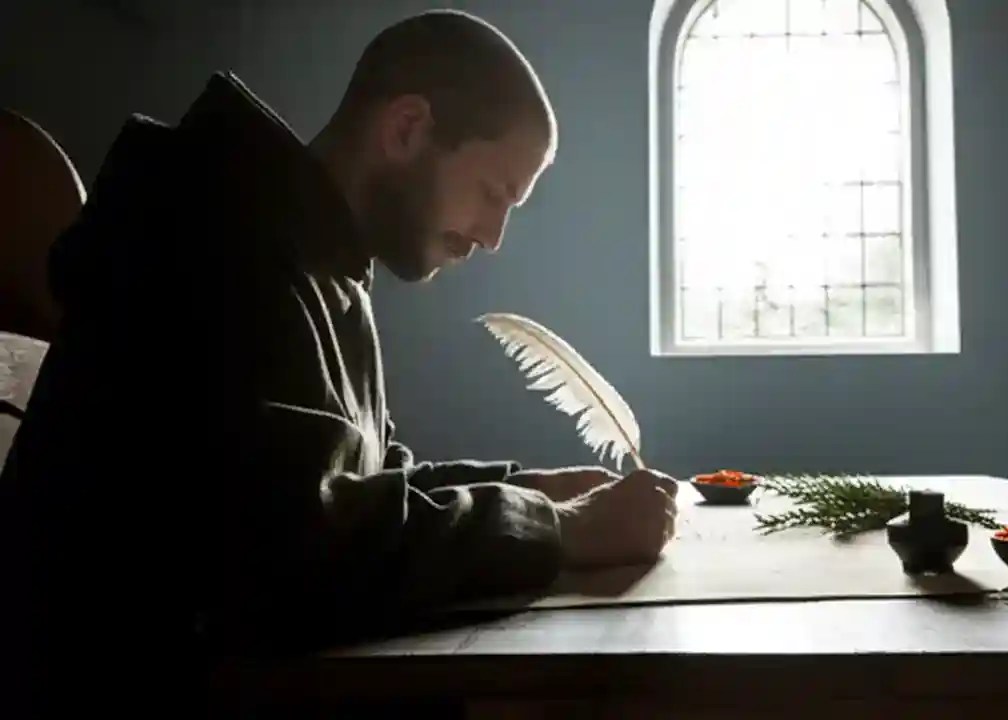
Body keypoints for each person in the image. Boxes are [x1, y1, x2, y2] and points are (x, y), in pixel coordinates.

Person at [0, 8, 678, 712]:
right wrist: (560, 530)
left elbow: (348, 488)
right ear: (407, 129)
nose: (494, 235)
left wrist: (528, 488)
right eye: (493, 193)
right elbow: (294, 551)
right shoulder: (216, 236)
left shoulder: (315, 251)